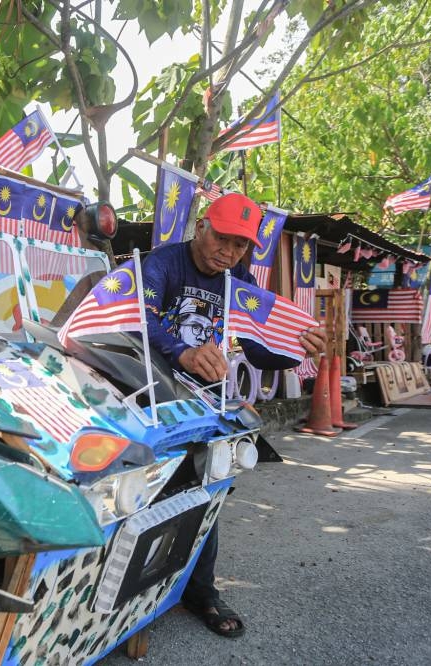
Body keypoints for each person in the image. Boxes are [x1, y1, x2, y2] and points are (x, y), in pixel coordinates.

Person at [141, 192, 327, 638]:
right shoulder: (162, 264)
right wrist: (182, 352)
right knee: (144, 497)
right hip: (147, 399)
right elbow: (137, 320)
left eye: (240, 245)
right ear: (201, 226)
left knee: (208, 493)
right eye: (222, 238)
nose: (229, 252)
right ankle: (133, 591)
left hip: (205, 405)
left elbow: (261, 349)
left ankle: (200, 591)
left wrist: (294, 346)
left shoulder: (237, 279)